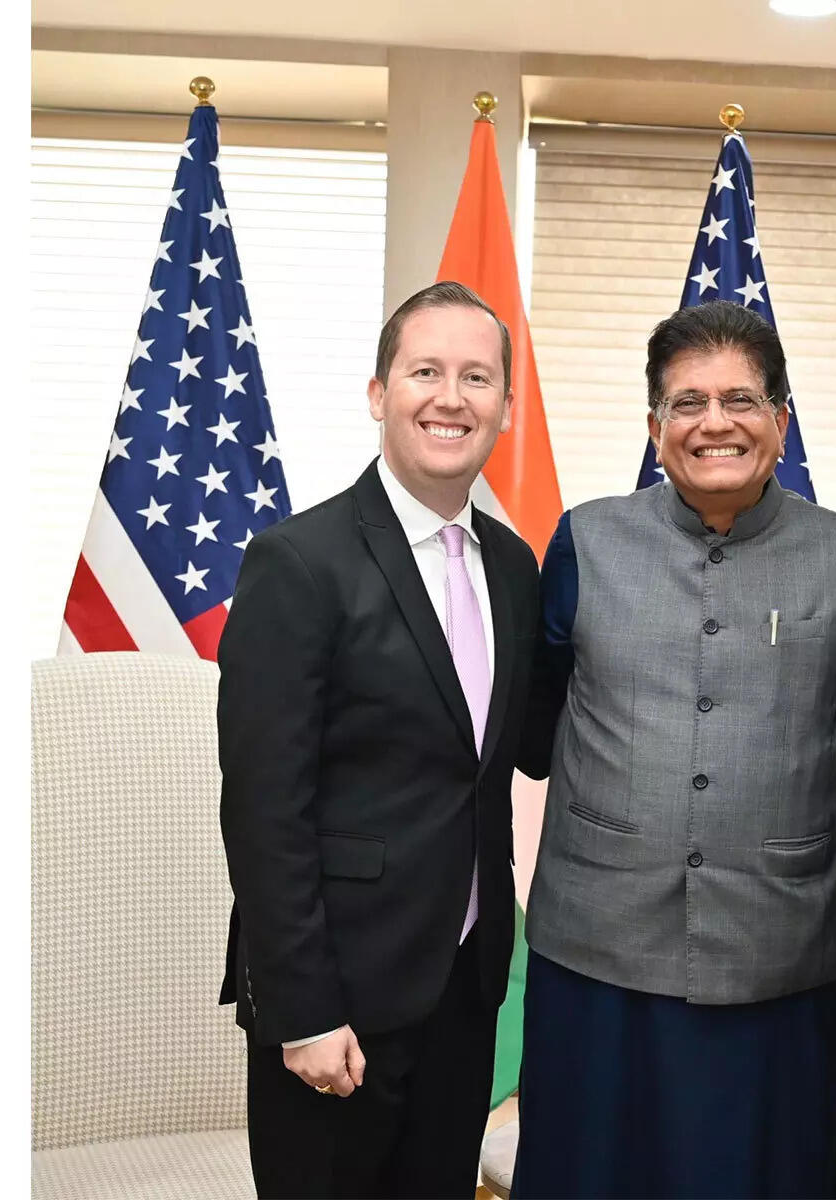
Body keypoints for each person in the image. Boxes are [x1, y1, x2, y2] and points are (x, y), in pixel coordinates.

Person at [511, 300, 836, 1199]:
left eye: (742, 399)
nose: (715, 422)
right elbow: (533, 717)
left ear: (780, 421)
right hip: (597, 949)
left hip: (774, 955)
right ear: (654, 427)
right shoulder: (586, 541)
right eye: (687, 403)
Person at [216, 281, 539, 1198]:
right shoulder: (300, 561)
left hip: (466, 992)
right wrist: (302, 1009)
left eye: (477, 377)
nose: (452, 397)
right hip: (340, 1004)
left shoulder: (514, 569)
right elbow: (264, 809)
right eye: (425, 371)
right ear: (378, 394)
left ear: (506, 408)